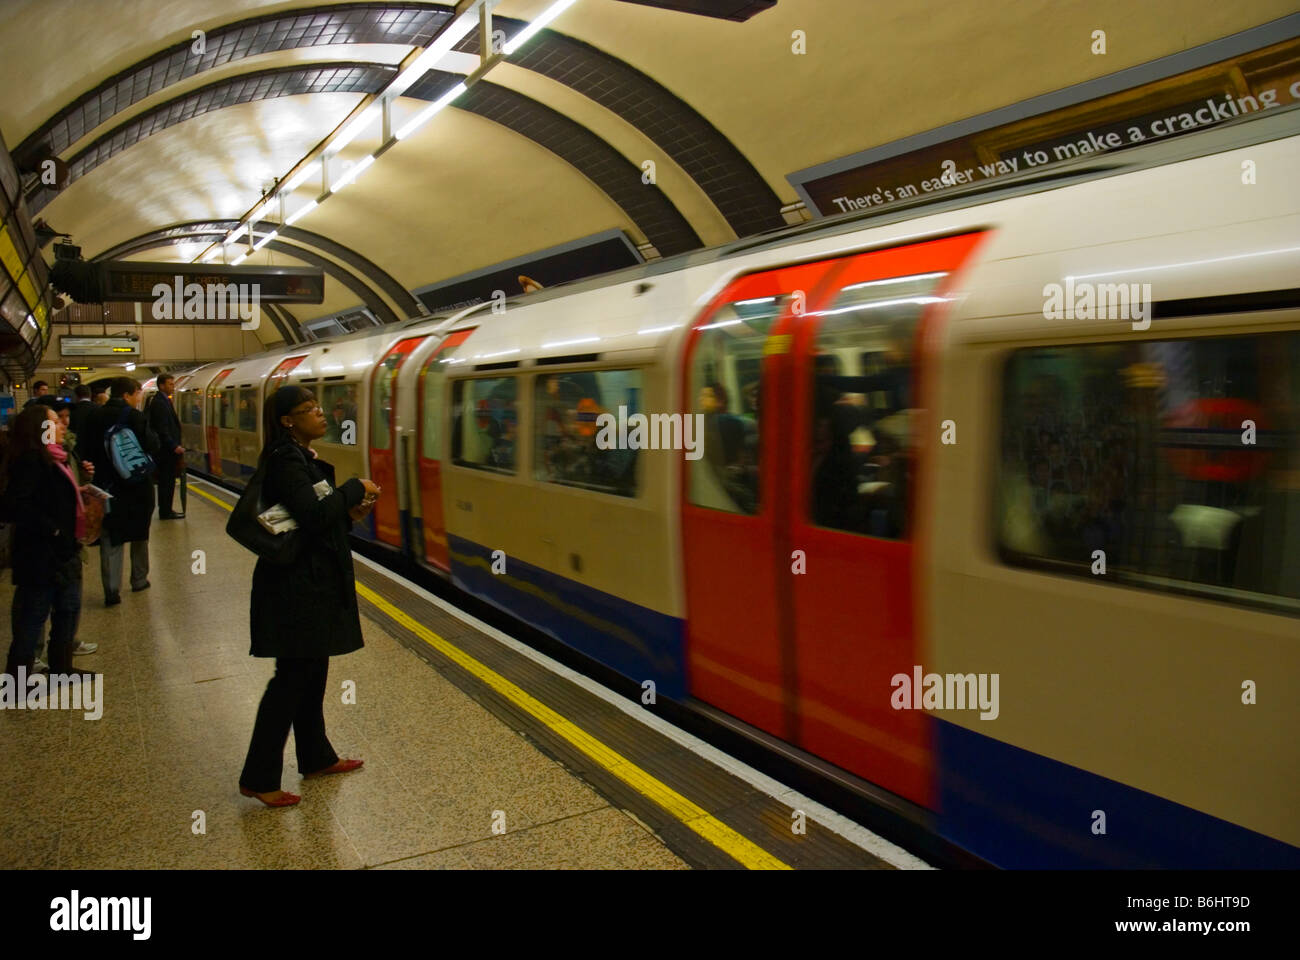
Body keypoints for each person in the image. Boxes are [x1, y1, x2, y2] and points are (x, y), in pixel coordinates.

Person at [238, 386, 380, 807]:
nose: (320, 414)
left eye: (318, 407)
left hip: (309, 580)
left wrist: (348, 512)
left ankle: (316, 755)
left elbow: (315, 518)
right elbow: (316, 513)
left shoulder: (302, 457)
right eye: (308, 410)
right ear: (287, 421)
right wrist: (354, 489)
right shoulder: (286, 460)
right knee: (291, 680)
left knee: (312, 672)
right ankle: (259, 777)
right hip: (294, 587)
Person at [1, 406, 98, 682]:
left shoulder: (56, 458)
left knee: (67, 610)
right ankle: (17, 682)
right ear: (40, 429)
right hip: (40, 555)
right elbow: (13, 505)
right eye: (55, 422)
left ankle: (62, 668)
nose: (63, 425)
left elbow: (50, 495)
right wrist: (53, 529)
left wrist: (80, 486)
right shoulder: (31, 460)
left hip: (65, 550)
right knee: (32, 617)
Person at [81, 377, 159, 605]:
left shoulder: (93, 416)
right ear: (127, 395)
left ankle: (111, 589)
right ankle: (139, 579)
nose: (139, 399)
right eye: (138, 395)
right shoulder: (135, 417)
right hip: (136, 485)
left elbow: (84, 450)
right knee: (139, 534)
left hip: (106, 487)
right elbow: (152, 445)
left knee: (110, 537)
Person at [146, 373, 185, 519]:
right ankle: (165, 511)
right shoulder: (159, 403)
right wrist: (174, 446)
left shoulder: (163, 401)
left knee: (167, 481)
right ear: (161, 385)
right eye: (170, 384)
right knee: (166, 482)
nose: (173, 386)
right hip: (165, 452)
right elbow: (163, 429)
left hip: (166, 451)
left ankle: (167, 509)